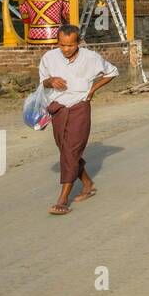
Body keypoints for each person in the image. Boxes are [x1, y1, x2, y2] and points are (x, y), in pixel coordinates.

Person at [38, 25, 117, 215]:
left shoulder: (91, 58)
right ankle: (88, 184)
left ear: (79, 43)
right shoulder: (49, 58)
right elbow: (42, 82)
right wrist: (51, 81)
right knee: (66, 151)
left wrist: (92, 90)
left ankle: (63, 199)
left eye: (70, 45)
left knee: (71, 151)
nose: (66, 49)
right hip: (57, 108)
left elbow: (112, 72)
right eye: (62, 45)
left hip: (80, 107)